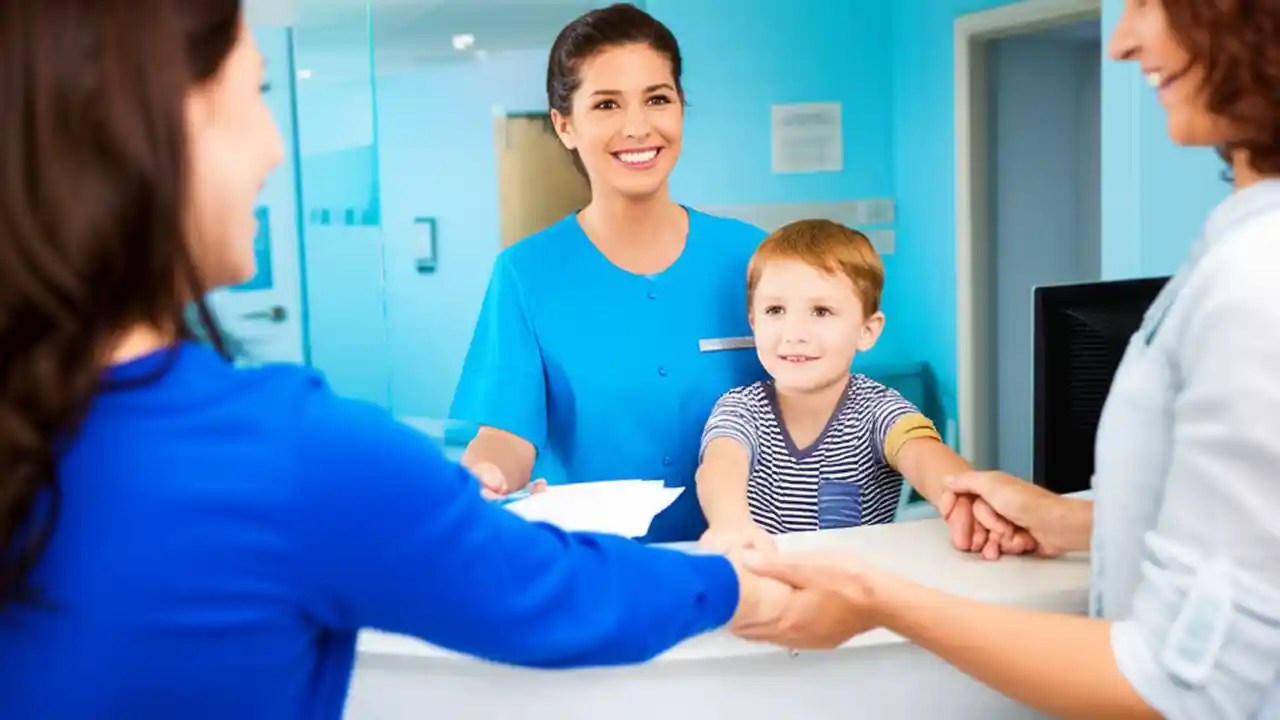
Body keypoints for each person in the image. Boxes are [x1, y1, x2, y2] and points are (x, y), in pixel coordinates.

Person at [0, 2, 796, 717]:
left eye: (658, 98)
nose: (277, 148)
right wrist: (732, 584)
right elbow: (540, 584)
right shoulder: (299, 456)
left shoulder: (38, 427)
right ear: (156, 132)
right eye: (255, 100)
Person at [736, 1, 1280, 717]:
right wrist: (1075, 521)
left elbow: (1191, 686)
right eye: (774, 311)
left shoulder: (1255, 281)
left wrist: (880, 601)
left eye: (1152, 1)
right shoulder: (1239, 255)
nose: (1121, 39)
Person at [449, 3, 770, 543]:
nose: (638, 127)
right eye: (606, 104)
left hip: (750, 558)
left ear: (682, 110)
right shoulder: (526, 274)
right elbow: (506, 435)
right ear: (565, 125)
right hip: (601, 572)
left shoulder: (753, 257)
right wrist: (482, 478)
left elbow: (828, 399)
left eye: (658, 99)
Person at [696, 220, 1015, 555]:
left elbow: (925, 457)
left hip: (857, 593)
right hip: (768, 589)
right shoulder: (740, 408)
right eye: (775, 310)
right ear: (753, 321)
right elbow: (720, 466)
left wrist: (971, 503)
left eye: (821, 311)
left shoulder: (880, 411)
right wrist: (730, 523)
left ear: (867, 330)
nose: (794, 332)